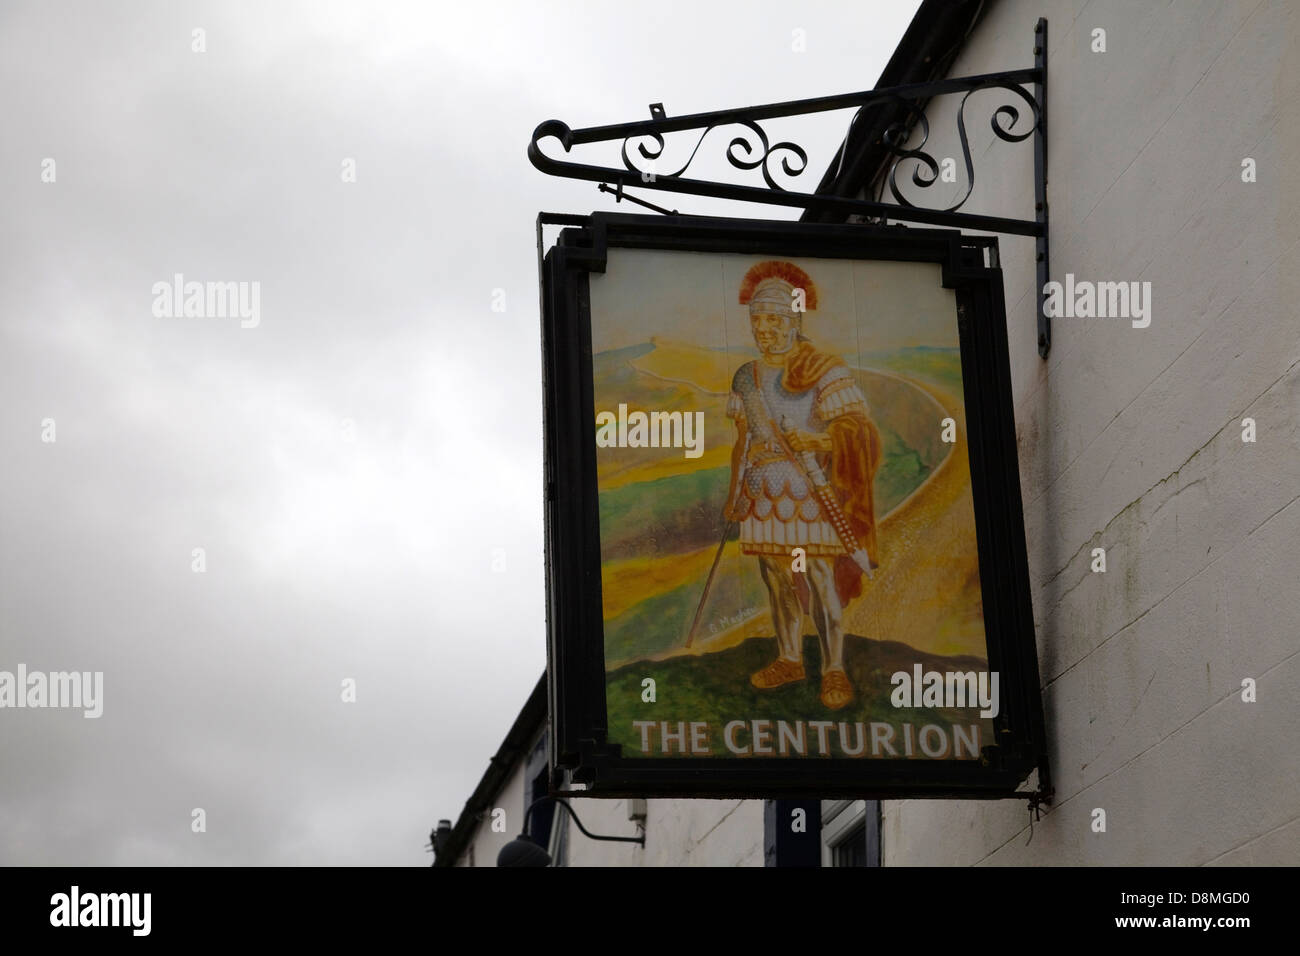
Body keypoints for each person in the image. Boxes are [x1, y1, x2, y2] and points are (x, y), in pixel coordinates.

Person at [723, 261, 882, 710]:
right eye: (757, 320)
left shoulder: (823, 370)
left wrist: (814, 438)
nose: (764, 329)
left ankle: (833, 669)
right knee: (776, 577)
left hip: (808, 489)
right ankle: (790, 658)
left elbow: (858, 432)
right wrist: (733, 497)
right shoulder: (745, 377)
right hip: (762, 493)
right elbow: (743, 442)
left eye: (774, 320)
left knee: (817, 576)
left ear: (794, 321)